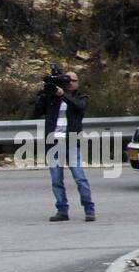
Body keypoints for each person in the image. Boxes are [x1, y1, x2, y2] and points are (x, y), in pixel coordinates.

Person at [33, 68, 95, 222]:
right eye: (68, 80)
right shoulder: (52, 98)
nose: (70, 83)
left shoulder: (81, 96)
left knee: (79, 177)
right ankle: (62, 210)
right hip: (53, 143)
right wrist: (43, 95)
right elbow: (36, 113)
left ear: (77, 83)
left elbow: (80, 107)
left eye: (73, 80)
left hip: (71, 142)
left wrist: (63, 95)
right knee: (56, 180)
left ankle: (89, 209)